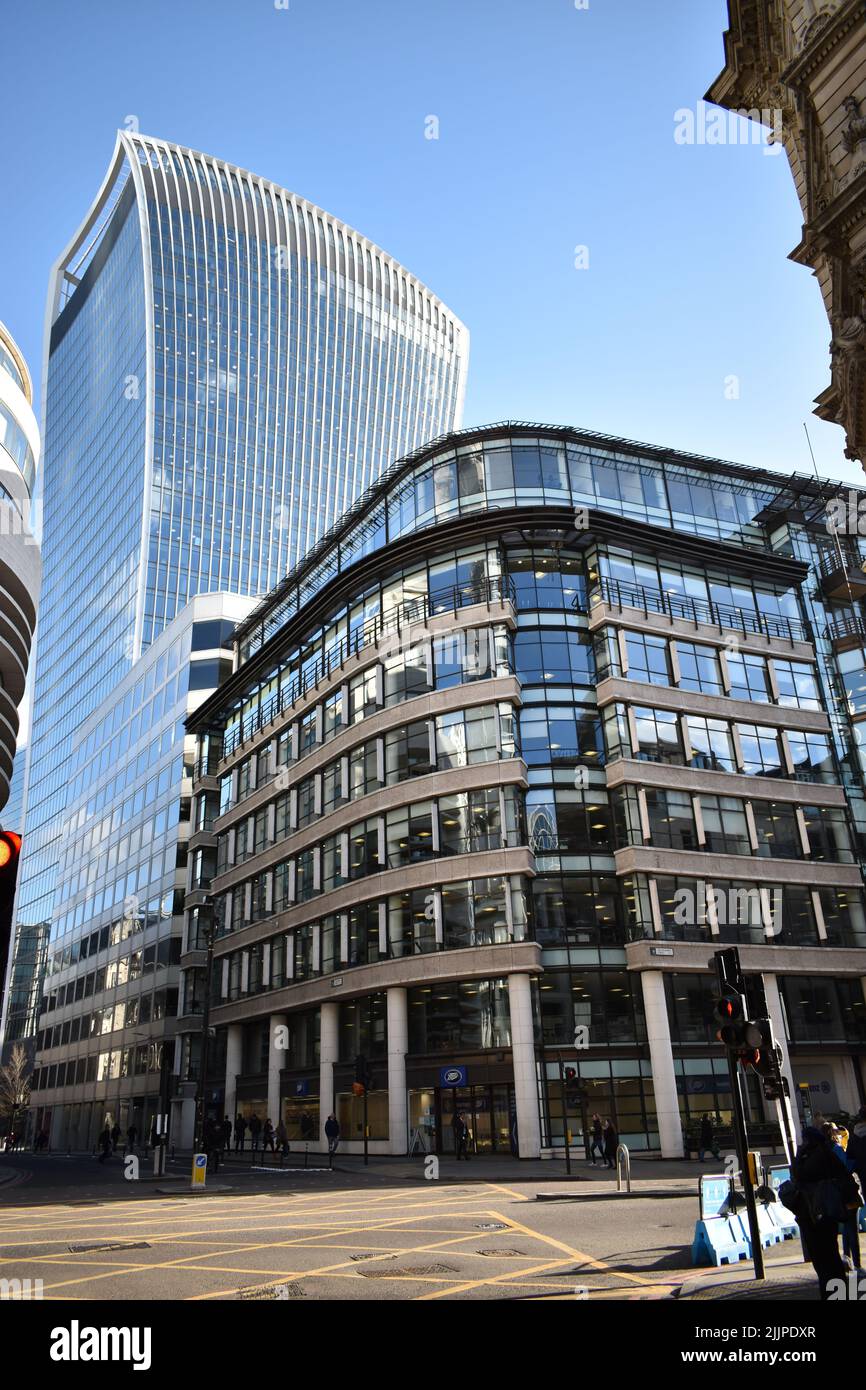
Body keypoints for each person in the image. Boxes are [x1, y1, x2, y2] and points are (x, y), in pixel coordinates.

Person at [781, 1125, 860, 1299]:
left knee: (821, 1259)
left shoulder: (802, 1158)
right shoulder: (827, 1154)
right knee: (831, 1252)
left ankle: (829, 1291)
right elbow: (845, 1176)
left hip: (808, 1214)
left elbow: (797, 1180)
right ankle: (840, 1290)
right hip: (828, 1211)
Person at [824, 1122, 862, 1270]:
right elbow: (848, 1165)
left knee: (846, 1229)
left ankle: (847, 1261)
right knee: (852, 1229)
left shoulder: (824, 1150)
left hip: (835, 1194)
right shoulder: (837, 1149)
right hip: (848, 1192)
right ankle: (857, 1265)